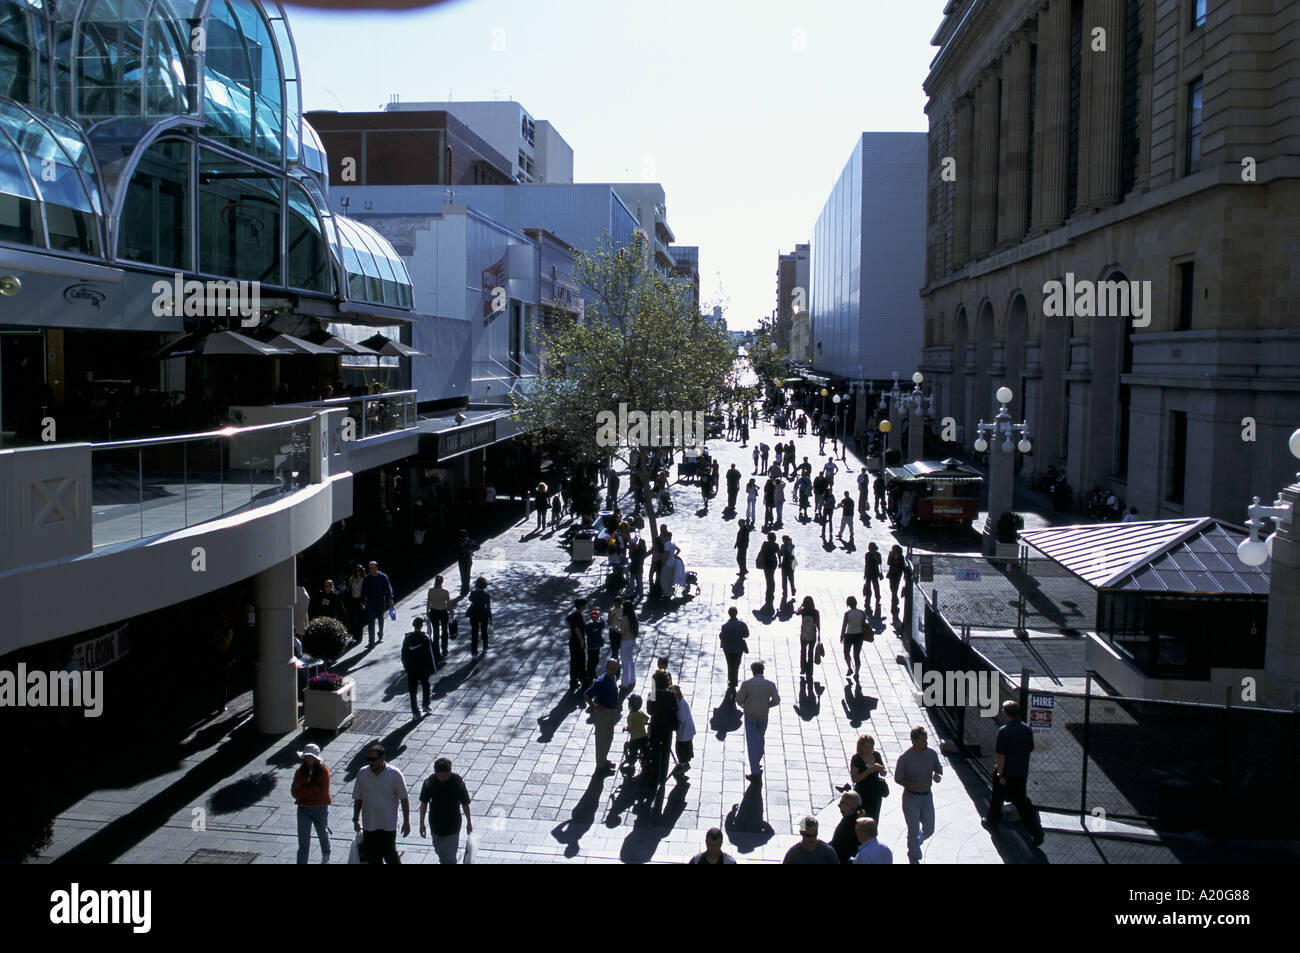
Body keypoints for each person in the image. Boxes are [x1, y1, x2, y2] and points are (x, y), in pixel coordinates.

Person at [983, 700, 1045, 846]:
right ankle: (1036, 831)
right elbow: (1030, 748)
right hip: (1021, 773)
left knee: (997, 799)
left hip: (1007, 773)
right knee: (1022, 803)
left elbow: (1001, 756)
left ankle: (992, 822)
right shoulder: (1027, 729)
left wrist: (1001, 774)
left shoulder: (1004, 731)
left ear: (1006, 713)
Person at [352, 743, 409, 864]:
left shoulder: (394, 774)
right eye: (368, 759)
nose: (370, 762)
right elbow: (358, 798)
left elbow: (404, 798)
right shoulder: (362, 773)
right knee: (373, 856)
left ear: (382, 758)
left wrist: (406, 821)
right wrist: (356, 818)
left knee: (390, 854)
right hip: (369, 823)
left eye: (373, 759)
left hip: (388, 823)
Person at [895, 726, 943, 864]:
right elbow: (898, 778)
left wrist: (937, 776)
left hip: (927, 797)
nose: (925, 743)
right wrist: (911, 785)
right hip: (911, 798)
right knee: (913, 829)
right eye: (922, 740)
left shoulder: (931, 754)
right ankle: (913, 853)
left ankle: (916, 843)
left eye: (926, 740)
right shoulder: (904, 758)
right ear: (913, 740)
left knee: (929, 829)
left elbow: (938, 769)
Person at [418, 757, 473, 865]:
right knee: (440, 852)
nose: (442, 778)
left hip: (453, 824)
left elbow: (465, 803)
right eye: (440, 775)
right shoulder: (429, 783)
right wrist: (421, 823)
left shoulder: (457, 782)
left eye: (445, 775)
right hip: (435, 824)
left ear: (450, 772)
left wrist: (469, 822)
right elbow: (423, 804)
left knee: (449, 856)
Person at [735, 661, 780, 781]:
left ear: (753, 671)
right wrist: (767, 705)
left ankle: (754, 770)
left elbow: (739, 700)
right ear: (763, 671)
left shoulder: (747, 684)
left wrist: (745, 705)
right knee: (760, 738)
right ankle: (758, 759)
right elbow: (776, 700)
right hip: (763, 715)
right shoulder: (770, 684)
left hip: (750, 715)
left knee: (751, 743)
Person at [292, 743, 332, 864]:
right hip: (303, 809)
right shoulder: (300, 771)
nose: (307, 759)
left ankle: (326, 853)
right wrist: (313, 789)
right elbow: (295, 792)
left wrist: (303, 790)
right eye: (306, 757)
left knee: (322, 834)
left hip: (319, 808)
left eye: (310, 757)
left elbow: (322, 794)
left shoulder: (323, 772)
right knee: (303, 842)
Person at [841, 733, 889, 824]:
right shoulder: (857, 758)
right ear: (860, 747)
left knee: (874, 815)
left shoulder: (876, 755)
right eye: (866, 747)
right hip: (862, 791)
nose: (869, 750)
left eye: (871, 747)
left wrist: (881, 770)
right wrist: (868, 771)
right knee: (861, 816)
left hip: (875, 791)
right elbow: (855, 779)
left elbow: (884, 772)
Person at [585, 659, 622, 774]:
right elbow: (586, 695)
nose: (613, 671)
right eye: (611, 668)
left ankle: (604, 759)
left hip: (612, 712)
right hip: (603, 713)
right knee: (602, 740)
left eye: (615, 668)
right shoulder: (600, 682)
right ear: (606, 668)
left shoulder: (613, 677)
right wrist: (595, 706)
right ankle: (601, 766)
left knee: (609, 738)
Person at [400, 617, 437, 719]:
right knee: (425, 685)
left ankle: (415, 711)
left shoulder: (407, 638)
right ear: (421, 626)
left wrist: (406, 667)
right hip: (423, 668)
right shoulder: (425, 637)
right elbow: (431, 654)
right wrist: (433, 668)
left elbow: (403, 655)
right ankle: (425, 705)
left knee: (412, 690)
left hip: (411, 669)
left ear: (413, 625)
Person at [647, 670, 679, 784]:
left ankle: (654, 775)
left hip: (655, 725)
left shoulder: (652, 695)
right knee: (666, 750)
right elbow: (675, 708)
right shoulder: (671, 695)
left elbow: (649, 711)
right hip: (667, 727)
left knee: (655, 750)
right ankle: (663, 776)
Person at [360, 561, 394, 647]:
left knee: (380, 618)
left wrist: (390, 599)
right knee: (371, 620)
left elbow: (388, 588)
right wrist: (362, 601)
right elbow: (363, 591)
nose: (370, 569)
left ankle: (380, 635)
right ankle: (371, 641)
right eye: (369, 568)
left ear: (376, 568)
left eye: (372, 568)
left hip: (380, 600)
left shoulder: (383, 577)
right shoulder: (367, 578)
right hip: (370, 601)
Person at [831, 791, 867, 864]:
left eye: (841, 804)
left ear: (850, 806)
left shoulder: (848, 822)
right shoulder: (858, 819)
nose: (839, 806)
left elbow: (838, 844)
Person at [719, 606, 749, 691]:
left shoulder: (725, 626)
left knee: (729, 664)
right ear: (736, 613)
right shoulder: (741, 624)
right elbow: (746, 634)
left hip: (728, 648)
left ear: (729, 614)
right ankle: (734, 679)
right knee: (736, 664)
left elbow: (722, 636)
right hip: (738, 647)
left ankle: (731, 680)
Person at [839, 596, 868, 680]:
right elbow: (864, 625)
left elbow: (844, 625)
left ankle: (849, 668)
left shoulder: (847, 614)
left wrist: (842, 635)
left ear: (848, 604)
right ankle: (857, 672)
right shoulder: (862, 613)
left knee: (846, 652)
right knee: (856, 655)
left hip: (849, 635)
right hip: (859, 635)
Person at [426, 575, 451, 663]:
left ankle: (436, 651)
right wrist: (451, 611)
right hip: (443, 612)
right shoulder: (445, 592)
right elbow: (448, 603)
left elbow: (429, 602)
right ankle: (444, 649)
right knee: (444, 631)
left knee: (436, 632)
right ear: (442, 582)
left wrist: (427, 611)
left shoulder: (431, 591)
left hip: (433, 612)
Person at [565, 598, 589, 692]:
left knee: (573, 661)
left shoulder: (573, 615)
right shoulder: (579, 616)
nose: (586, 606)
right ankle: (582, 678)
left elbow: (567, 620)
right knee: (581, 661)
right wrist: (581, 640)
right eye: (585, 605)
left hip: (572, 641)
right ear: (582, 606)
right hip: (577, 642)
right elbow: (577, 629)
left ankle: (573, 680)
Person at [795, 595, 821, 678]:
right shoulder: (815, 612)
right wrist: (819, 634)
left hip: (804, 634)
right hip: (812, 634)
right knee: (810, 652)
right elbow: (818, 624)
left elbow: (796, 613)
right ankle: (810, 669)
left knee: (803, 651)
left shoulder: (803, 611)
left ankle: (803, 668)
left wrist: (801, 606)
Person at [672, 684, 695, 771]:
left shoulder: (681, 704)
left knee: (681, 748)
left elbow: (681, 718)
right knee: (685, 747)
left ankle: (683, 764)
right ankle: (685, 762)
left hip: (684, 732)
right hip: (686, 731)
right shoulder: (682, 702)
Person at [623, 694, 650, 771]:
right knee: (645, 750)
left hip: (635, 738)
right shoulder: (641, 712)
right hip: (643, 736)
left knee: (633, 753)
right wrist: (642, 723)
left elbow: (630, 727)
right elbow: (647, 718)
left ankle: (631, 765)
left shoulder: (631, 716)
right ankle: (647, 762)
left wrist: (625, 728)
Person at [466, 576, 491, 656]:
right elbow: (488, 607)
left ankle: (474, 652)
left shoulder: (473, 593)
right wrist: (490, 617)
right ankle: (485, 647)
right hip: (483, 613)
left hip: (474, 613)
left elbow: (470, 599)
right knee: (484, 631)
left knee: (474, 632)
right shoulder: (487, 595)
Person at [618, 598, 639, 688]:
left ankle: (625, 683)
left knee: (625, 662)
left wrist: (616, 627)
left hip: (625, 641)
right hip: (632, 640)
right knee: (630, 660)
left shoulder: (624, 618)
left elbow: (621, 631)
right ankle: (632, 679)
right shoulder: (634, 617)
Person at [757, 531, 779, 607]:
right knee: (772, 578)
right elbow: (779, 554)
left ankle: (768, 593)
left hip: (766, 563)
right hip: (773, 563)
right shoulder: (776, 545)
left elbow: (761, 551)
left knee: (768, 579)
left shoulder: (765, 544)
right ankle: (771, 593)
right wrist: (780, 562)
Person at [584, 607, 607, 680]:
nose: (594, 619)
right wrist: (585, 621)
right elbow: (582, 627)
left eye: (596, 617)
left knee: (595, 659)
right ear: (591, 618)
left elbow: (603, 623)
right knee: (591, 660)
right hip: (591, 646)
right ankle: (589, 673)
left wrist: (601, 618)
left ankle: (592, 672)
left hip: (596, 645)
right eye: (593, 617)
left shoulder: (598, 625)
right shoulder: (589, 626)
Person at [346, 564, 366, 644]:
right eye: (356, 570)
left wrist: (363, 602)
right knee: (353, 618)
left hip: (360, 600)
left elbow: (365, 591)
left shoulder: (364, 579)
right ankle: (354, 635)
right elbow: (348, 588)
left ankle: (359, 636)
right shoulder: (352, 579)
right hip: (353, 599)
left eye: (359, 570)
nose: (358, 572)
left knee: (360, 618)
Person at [886, 544, 907, 615]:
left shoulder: (901, 557)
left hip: (897, 574)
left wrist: (904, 573)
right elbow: (888, 563)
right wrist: (890, 556)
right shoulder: (891, 555)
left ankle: (894, 601)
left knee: (895, 589)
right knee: (892, 588)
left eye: (894, 549)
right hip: (891, 574)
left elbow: (903, 566)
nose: (893, 551)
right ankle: (895, 598)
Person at [457, 529, 479, 595]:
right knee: (465, 575)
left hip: (465, 560)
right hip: (465, 560)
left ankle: (465, 590)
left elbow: (477, 547)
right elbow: (477, 546)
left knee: (464, 575)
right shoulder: (465, 541)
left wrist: (470, 549)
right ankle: (465, 589)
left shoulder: (465, 542)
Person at [864, 542, 883, 614]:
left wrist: (875, 556)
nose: (871, 550)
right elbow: (866, 564)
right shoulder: (867, 554)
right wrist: (865, 574)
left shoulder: (878, 554)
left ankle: (878, 597)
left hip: (875, 573)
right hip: (869, 573)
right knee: (868, 587)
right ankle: (867, 600)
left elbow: (879, 562)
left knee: (876, 587)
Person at [779, 535, 797, 602]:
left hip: (788, 564)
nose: (783, 541)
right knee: (788, 578)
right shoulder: (786, 546)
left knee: (788, 578)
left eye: (784, 540)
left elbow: (784, 552)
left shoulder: (788, 546)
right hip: (788, 564)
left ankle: (789, 590)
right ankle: (788, 590)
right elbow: (781, 554)